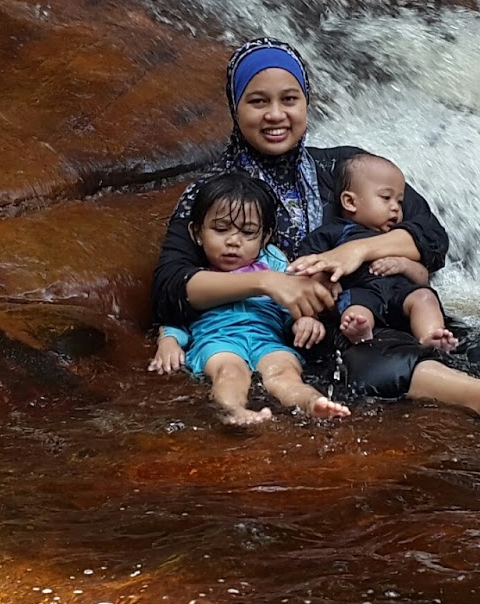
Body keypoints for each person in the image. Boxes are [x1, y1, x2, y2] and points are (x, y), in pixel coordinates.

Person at [150, 37, 480, 431]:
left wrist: (358, 249)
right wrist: (269, 282)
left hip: (391, 302)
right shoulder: (214, 194)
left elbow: (429, 234)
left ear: (307, 103)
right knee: (373, 359)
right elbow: (170, 289)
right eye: (258, 102)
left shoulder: (342, 167)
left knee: (473, 342)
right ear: (235, 107)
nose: (276, 115)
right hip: (314, 334)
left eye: (289, 99)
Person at [147, 172, 352, 425]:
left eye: (248, 232)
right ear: (197, 233)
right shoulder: (198, 271)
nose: (233, 241)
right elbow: (175, 310)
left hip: (267, 340)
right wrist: (168, 340)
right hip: (218, 340)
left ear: (265, 237)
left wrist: (304, 322)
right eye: (221, 229)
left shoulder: (274, 264)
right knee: (230, 372)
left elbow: (291, 306)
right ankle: (233, 411)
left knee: (285, 372)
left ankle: (312, 403)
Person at [298, 152, 456, 351]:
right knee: (356, 313)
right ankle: (361, 333)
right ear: (350, 202)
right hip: (362, 293)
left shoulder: (399, 238)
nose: (396, 208)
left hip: (400, 293)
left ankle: (432, 337)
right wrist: (324, 278)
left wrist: (404, 265)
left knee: (425, 297)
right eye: (386, 198)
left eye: (399, 202)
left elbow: (423, 277)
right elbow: (307, 261)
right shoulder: (333, 232)